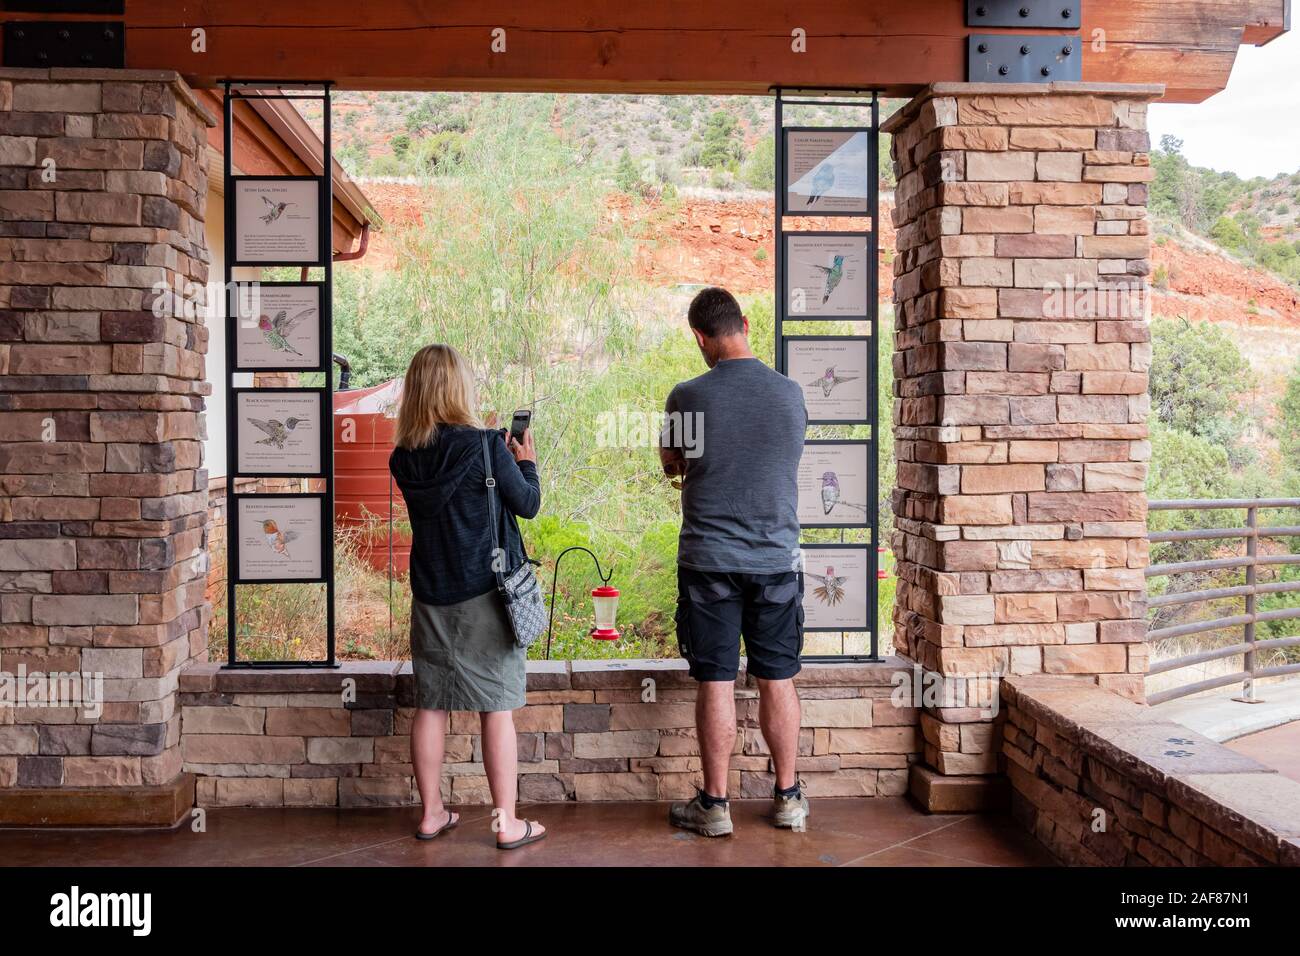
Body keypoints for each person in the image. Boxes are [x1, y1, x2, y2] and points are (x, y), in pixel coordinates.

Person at [659, 286, 809, 837]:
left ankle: (716, 806)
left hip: (709, 562)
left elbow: (673, 466)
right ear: (744, 323)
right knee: (778, 677)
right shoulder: (790, 393)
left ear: (700, 337)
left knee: (716, 680)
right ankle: (788, 797)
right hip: (776, 561)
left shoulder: (688, 395)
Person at [389, 343, 546, 850]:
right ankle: (507, 823)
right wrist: (525, 461)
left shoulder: (402, 458)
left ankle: (432, 813)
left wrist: (490, 448)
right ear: (459, 388)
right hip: (485, 594)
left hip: (431, 594)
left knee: (431, 705)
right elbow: (528, 505)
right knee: (496, 707)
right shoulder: (484, 446)